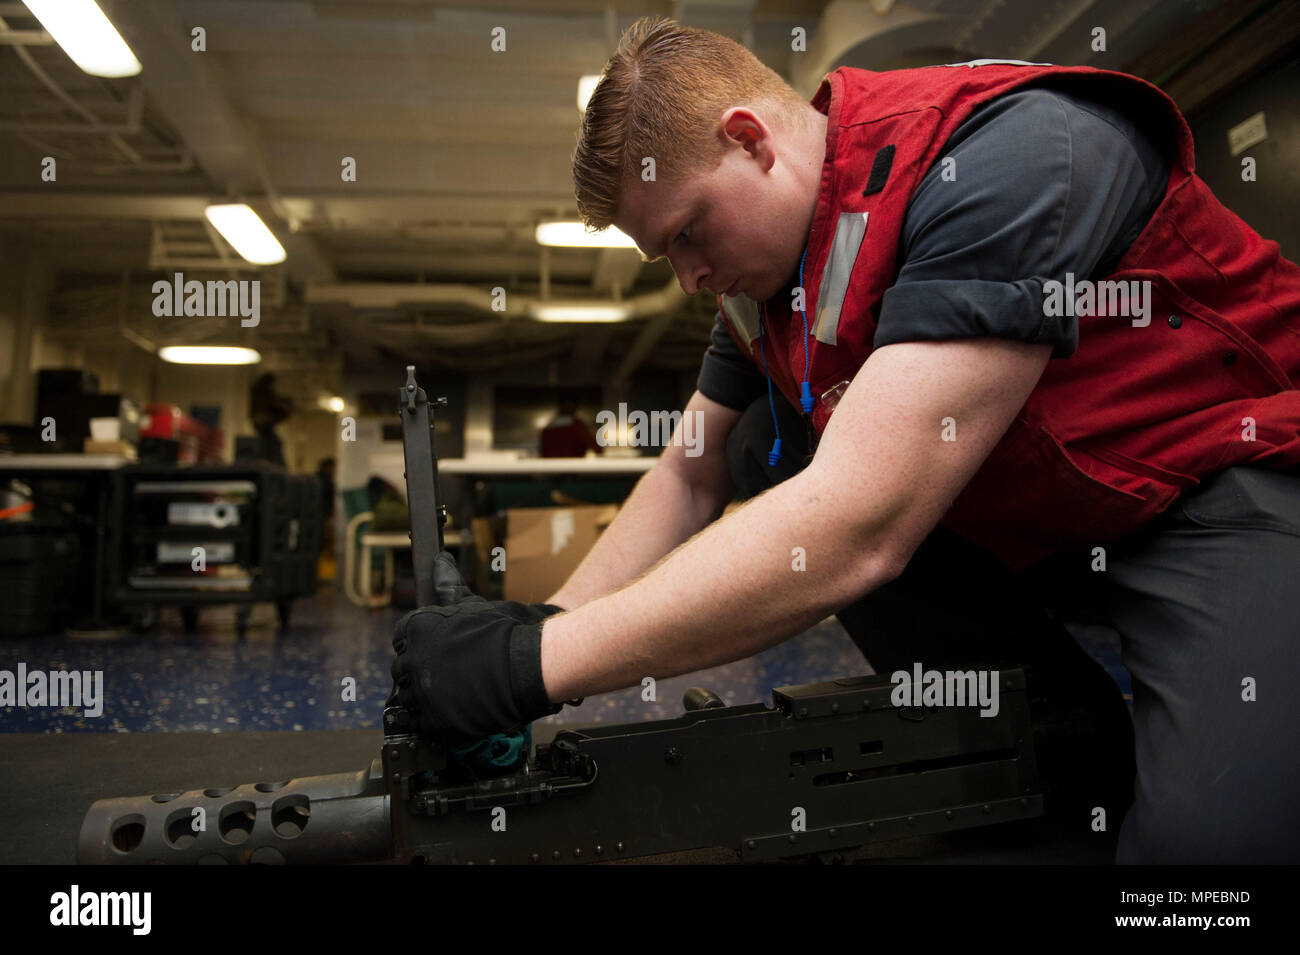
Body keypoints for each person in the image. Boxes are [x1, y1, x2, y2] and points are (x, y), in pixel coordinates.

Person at [388, 18, 1300, 863]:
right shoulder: (759, 291)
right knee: (757, 446)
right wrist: (548, 630)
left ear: (750, 139)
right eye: (664, 258)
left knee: (1205, 859)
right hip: (1058, 512)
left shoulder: (1004, 157)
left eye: (688, 234)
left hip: (1225, 488)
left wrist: (529, 670)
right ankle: (1059, 738)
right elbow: (691, 468)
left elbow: (860, 524)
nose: (691, 276)